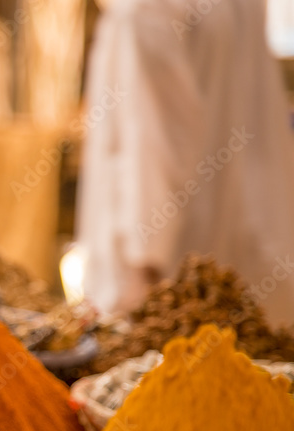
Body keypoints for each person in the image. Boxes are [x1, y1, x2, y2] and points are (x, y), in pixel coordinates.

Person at [76, 0, 294, 325]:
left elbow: (151, 153)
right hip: (260, 274)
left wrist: (141, 297)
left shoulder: (142, 10)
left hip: (176, 298)